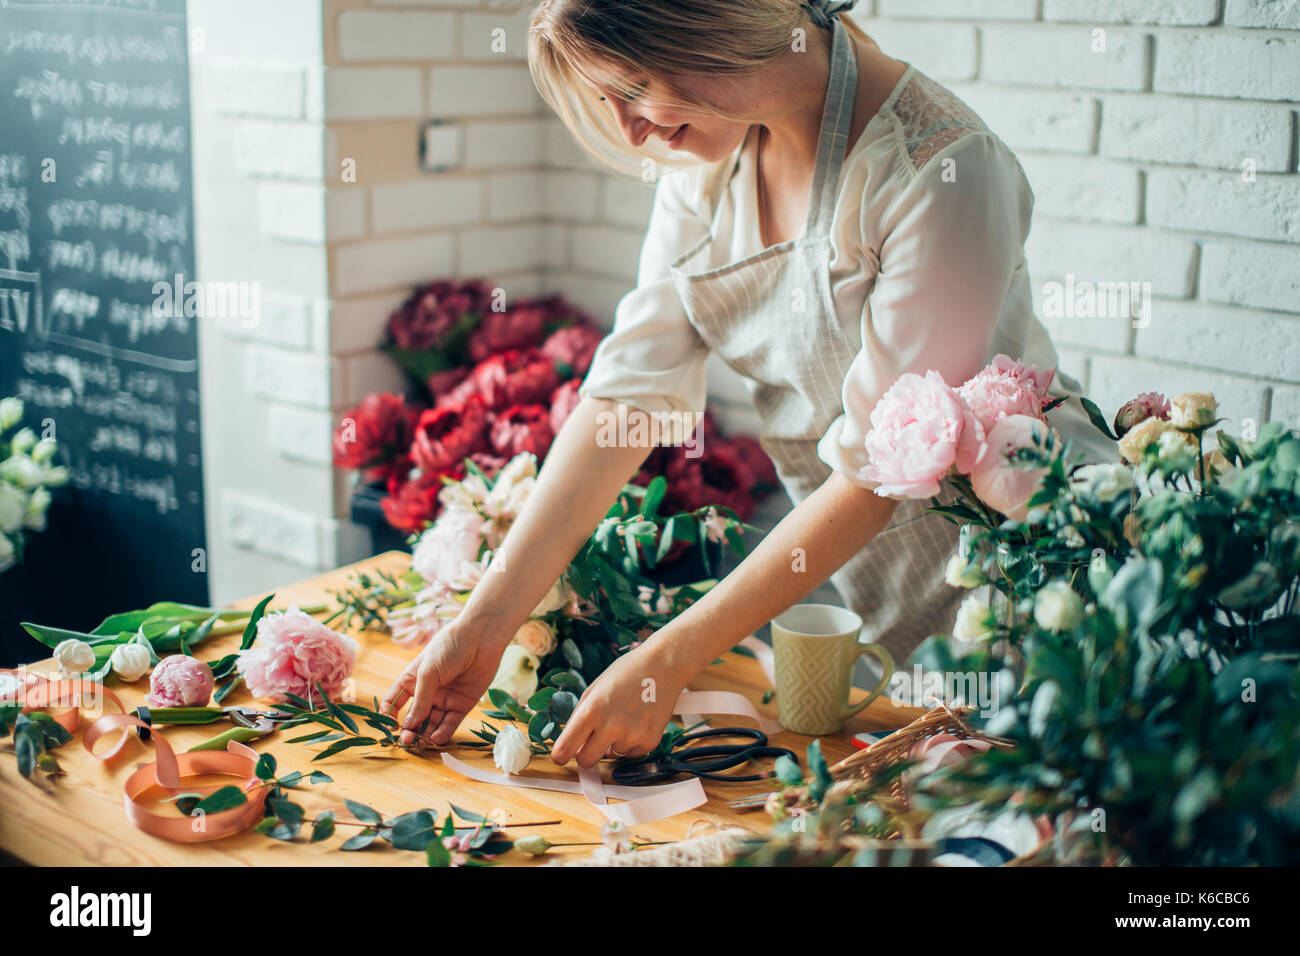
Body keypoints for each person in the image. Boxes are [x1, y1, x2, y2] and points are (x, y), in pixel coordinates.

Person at [381, 0, 1115, 767]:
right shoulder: (704, 168)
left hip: (1030, 577)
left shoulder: (942, 169)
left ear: (709, 23)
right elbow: (626, 398)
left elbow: (877, 473)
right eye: (609, 102)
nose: (631, 131)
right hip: (889, 594)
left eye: (636, 87)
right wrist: (488, 620)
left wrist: (668, 660)